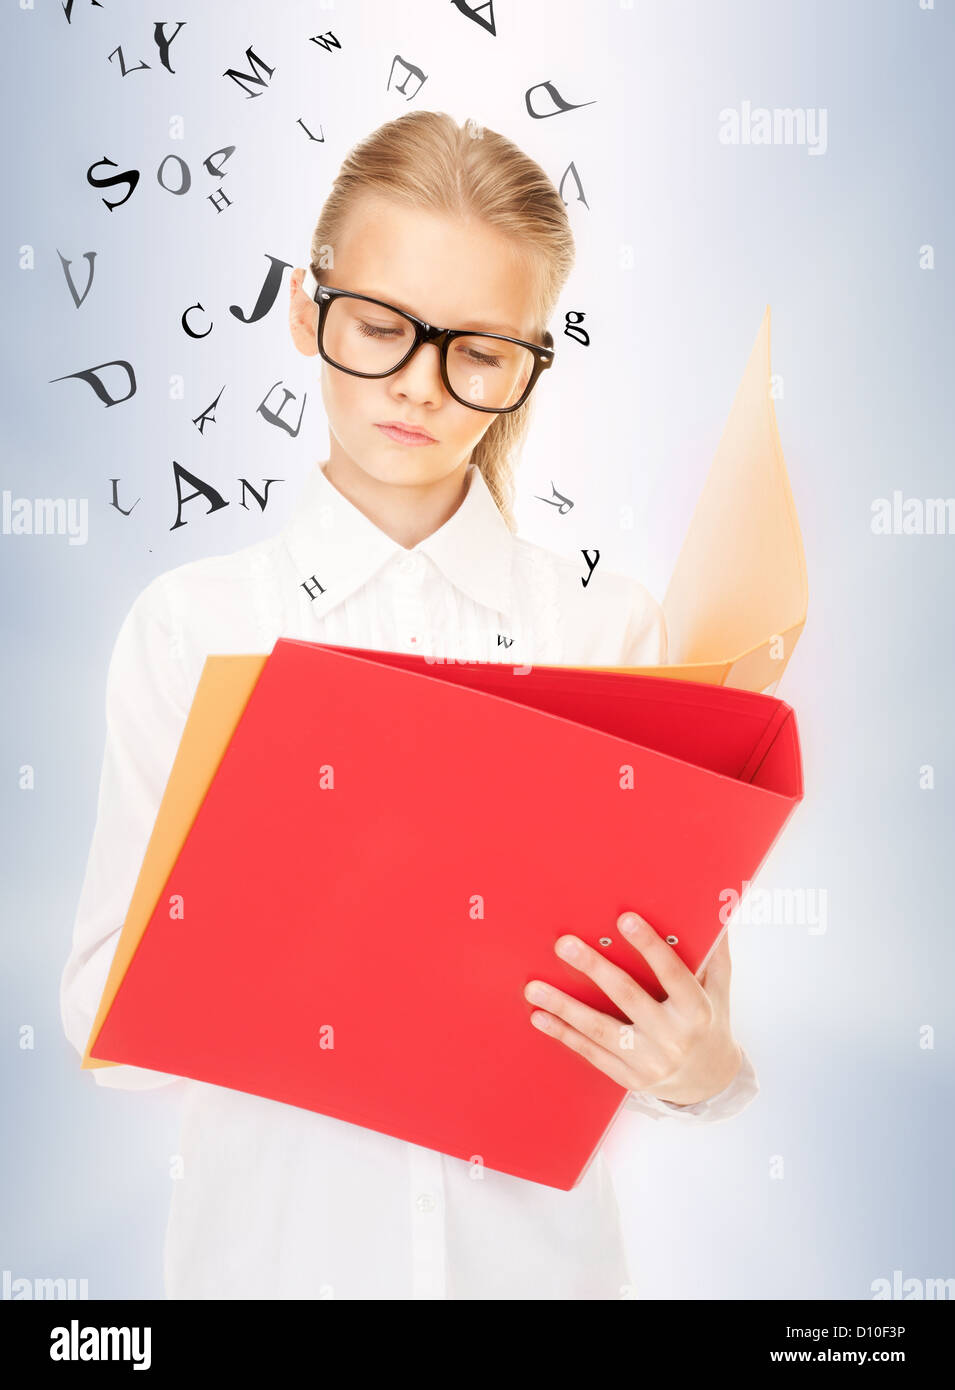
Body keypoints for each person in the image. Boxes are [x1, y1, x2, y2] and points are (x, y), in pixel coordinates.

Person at [60, 110, 758, 1300]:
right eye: (380, 328)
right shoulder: (193, 628)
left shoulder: (606, 634)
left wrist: (702, 1069)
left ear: (533, 361)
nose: (421, 388)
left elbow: (679, 1026)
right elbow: (100, 1020)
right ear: (304, 309)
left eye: (479, 352)